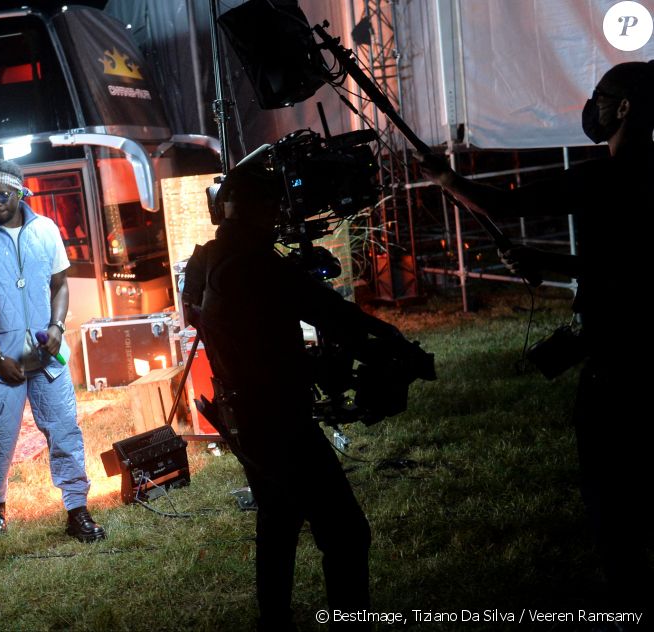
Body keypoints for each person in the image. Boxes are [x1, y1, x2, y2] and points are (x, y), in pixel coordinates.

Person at [419, 61, 654, 617]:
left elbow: (506, 207)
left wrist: (446, 180)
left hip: (618, 366)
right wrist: (548, 262)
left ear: (624, 108)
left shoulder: (604, 177)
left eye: (600, 96)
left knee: (611, 502)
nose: (591, 105)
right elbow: (627, 266)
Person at [183, 165, 411, 630]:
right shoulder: (255, 264)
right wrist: (393, 343)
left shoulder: (208, 258)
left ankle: (274, 619)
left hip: (240, 412)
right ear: (257, 210)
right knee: (346, 533)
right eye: (272, 207)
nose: (278, 216)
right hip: (275, 419)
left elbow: (210, 317)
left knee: (278, 518)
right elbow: (330, 312)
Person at [0, 159, 104, 542]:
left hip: (46, 355)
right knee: (0, 437)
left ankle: (77, 509)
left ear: (22, 192)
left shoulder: (46, 229)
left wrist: (56, 327)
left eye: (2, 195)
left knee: (64, 430)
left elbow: (61, 285)